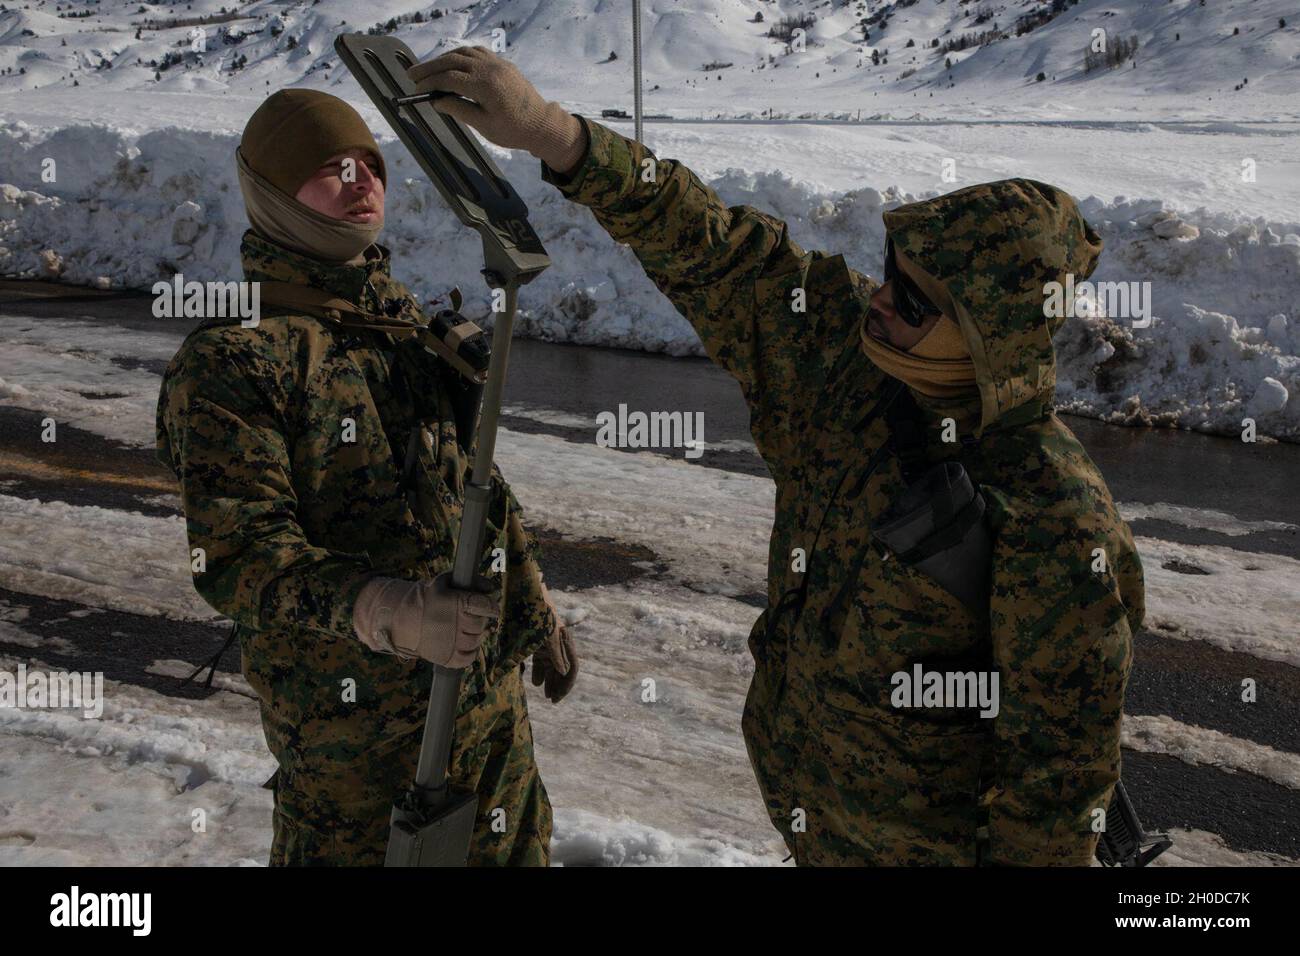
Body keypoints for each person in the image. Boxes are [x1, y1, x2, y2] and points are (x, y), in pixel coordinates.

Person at [407, 46, 1144, 865]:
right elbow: (721, 252)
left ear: (985, 336)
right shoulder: (847, 366)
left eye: (912, 301)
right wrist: (557, 135)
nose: (879, 301)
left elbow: (1057, 788)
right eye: (887, 275)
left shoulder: (1053, 513)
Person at [155, 88, 577, 866]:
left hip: (486, 725)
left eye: (372, 166)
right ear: (276, 193)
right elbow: (239, 558)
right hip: (359, 755)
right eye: (331, 168)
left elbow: (475, 486)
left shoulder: (403, 324)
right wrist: (392, 611)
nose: (361, 181)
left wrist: (533, 607)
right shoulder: (234, 363)